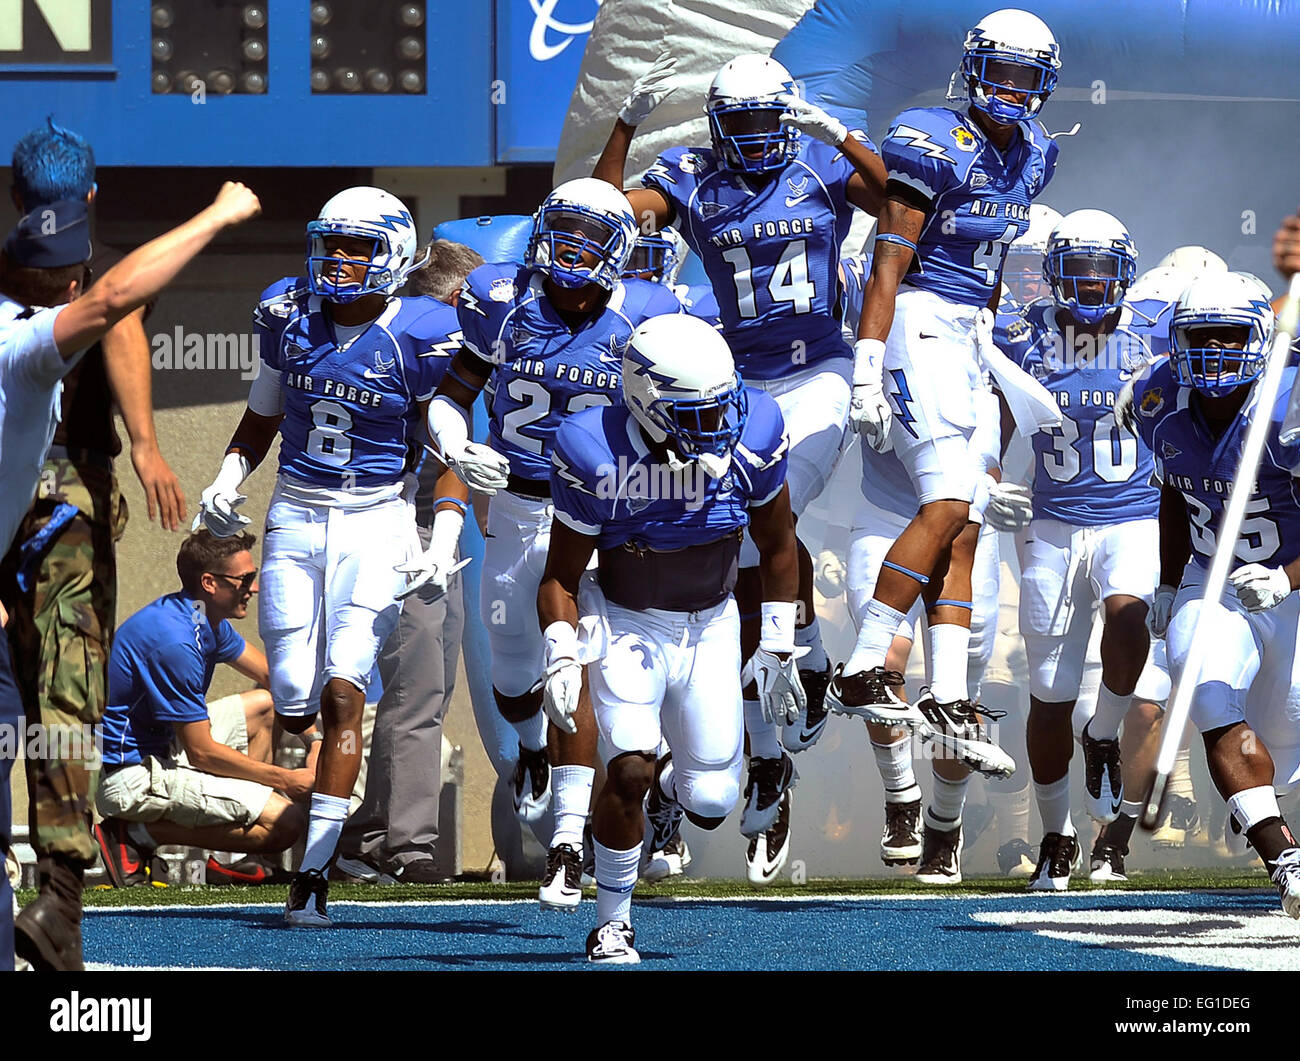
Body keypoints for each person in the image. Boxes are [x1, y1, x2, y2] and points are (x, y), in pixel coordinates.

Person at [593, 50, 887, 882]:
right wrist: (625, 124)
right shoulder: (692, 175)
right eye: (742, 124)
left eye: (771, 122)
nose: (757, 140)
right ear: (721, 125)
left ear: (791, 119)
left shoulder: (823, 161)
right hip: (735, 384)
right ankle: (777, 730)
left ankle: (801, 674)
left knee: (768, 518)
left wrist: (843, 133)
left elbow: (905, 202)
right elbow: (607, 211)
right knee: (749, 539)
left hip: (821, 370)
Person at [827, 9, 1065, 883]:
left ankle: (950, 689)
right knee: (950, 503)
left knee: (965, 526)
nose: (1008, 89)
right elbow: (891, 257)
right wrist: (865, 360)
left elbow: (994, 264)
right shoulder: (934, 137)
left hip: (966, 328)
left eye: (1022, 74)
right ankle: (861, 664)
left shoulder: (1036, 151)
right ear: (972, 69)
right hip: (915, 318)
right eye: (995, 71)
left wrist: (990, 339)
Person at [0, 181, 261, 970]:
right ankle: (61, 896)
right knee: (60, 703)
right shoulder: (21, 347)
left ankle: (52, 908)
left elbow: (111, 306)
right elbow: (117, 300)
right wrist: (219, 214)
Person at [193, 186, 463, 927]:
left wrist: (440, 536)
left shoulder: (426, 330)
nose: (340, 261)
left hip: (376, 518)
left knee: (347, 690)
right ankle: (306, 731)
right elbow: (263, 412)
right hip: (298, 512)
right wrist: (225, 475)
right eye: (332, 244)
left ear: (397, 255)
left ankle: (312, 873)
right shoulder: (287, 313)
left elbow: (451, 449)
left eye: (359, 247)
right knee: (292, 694)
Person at [426, 178, 681, 911]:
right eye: (561, 228)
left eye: (589, 234)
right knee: (514, 676)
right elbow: (451, 392)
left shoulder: (645, 315)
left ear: (621, 250)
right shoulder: (500, 299)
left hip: (600, 517)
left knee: (590, 674)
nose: (571, 247)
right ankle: (532, 749)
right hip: (515, 505)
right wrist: (453, 444)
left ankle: (571, 842)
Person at [539, 313, 799, 962]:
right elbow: (560, 576)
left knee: (711, 799)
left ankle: (668, 789)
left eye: (722, 407)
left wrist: (775, 641)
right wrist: (563, 649)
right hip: (630, 620)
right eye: (697, 413)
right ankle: (611, 923)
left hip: (710, 626)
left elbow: (778, 545)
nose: (720, 426)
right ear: (645, 402)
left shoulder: (753, 433)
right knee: (626, 769)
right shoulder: (595, 450)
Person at [990, 209, 1175, 888]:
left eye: (1105, 275)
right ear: (1056, 272)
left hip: (1132, 514)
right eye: (1080, 274)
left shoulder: (1156, 330)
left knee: (1130, 620)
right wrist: (989, 480)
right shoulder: (1020, 335)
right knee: (1049, 690)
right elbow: (988, 418)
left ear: (1126, 275)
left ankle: (1105, 731)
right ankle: (1057, 834)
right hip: (1051, 523)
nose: (1094, 289)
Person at [1133, 271, 1300, 917]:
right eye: (1199, 337)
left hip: (1289, 581)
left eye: (1229, 336)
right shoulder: (1156, 396)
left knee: (1285, 731)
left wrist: (1286, 577)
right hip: (1216, 577)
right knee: (1205, 689)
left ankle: (1259, 802)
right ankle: (1283, 857)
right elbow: (1173, 492)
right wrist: (1172, 582)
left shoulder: (1288, 402)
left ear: (1260, 337)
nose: (1212, 352)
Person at [335, 239, 484, 884]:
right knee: (417, 691)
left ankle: (371, 833)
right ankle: (405, 844)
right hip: (405, 527)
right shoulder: (428, 343)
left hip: (429, 525)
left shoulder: (415, 336)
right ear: (454, 298)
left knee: (427, 690)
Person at [94, 531, 314, 883]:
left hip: (165, 748)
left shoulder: (200, 618)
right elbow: (202, 754)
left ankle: (240, 860)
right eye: (245, 579)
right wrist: (287, 780)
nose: (253, 589)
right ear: (209, 583)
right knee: (287, 822)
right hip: (132, 776)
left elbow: (275, 680)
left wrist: (314, 738)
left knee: (266, 707)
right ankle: (136, 834)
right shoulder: (176, 643)